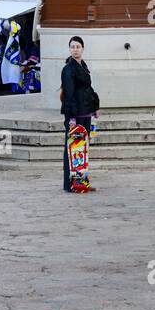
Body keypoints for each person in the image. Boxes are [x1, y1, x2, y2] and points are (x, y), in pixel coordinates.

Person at [60, 36, 98, 193]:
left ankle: (81, 182)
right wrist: (72, 118)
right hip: (75, 114)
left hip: (86, 111)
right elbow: (69, 94)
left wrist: (95, 107)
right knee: (72, 147)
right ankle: (70, 184)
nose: (75, 49)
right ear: (69, 49)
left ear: (82, 48)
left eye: (78, 46)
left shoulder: (83, 66)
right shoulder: (68, 69)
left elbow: (88, 89)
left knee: (82, 149)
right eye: (72, 47)